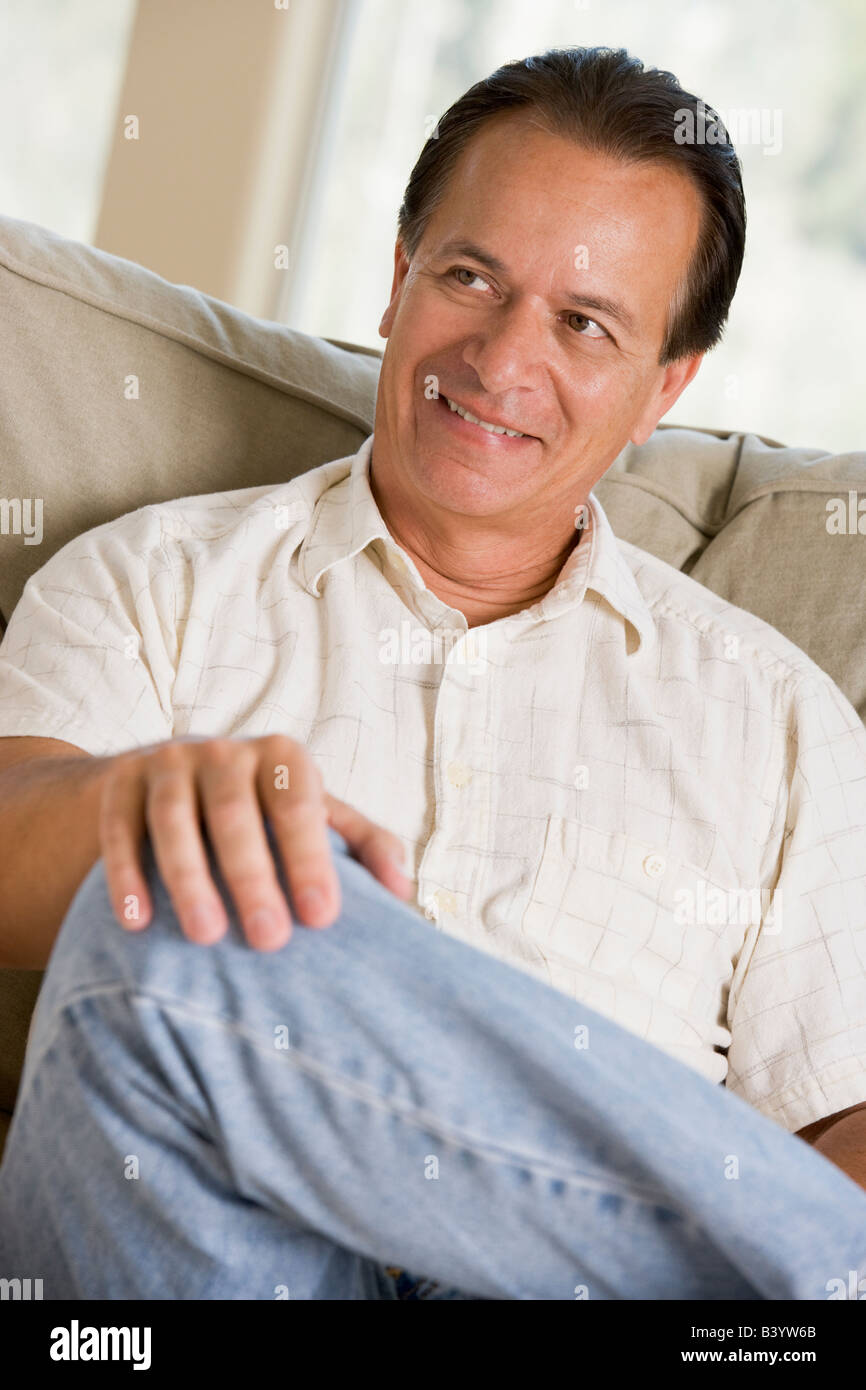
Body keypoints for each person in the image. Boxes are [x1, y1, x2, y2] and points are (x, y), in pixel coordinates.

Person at [0, 47, 864, 1300]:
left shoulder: (779, 720)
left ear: (660, 390)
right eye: (471, 276)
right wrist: (145, 813)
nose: (503, 360)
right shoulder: (151, 580)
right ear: (399, 278)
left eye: (583, 323)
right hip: (217, 1260)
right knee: (183, 913)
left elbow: (843, 1121)